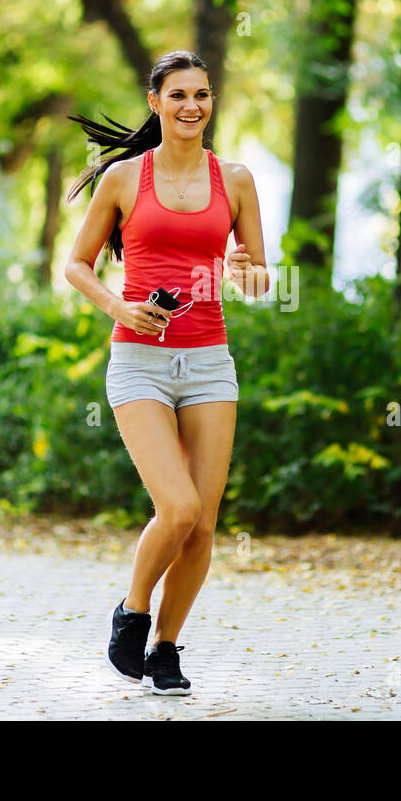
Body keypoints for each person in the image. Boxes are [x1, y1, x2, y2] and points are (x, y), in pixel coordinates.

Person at [63, 50, 269, 695]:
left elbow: (260, 273)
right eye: (178, 95)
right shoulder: (126, 179)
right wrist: (122, 307)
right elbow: (77, 265)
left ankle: (168, 648)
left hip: (210, 362)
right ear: (156, 102)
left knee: (204, 522)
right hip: (139, 361)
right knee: (176, 507)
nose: (192, 107)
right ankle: (133, 609)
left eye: (202, 95)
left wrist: (250, 273)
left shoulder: (234, 179)